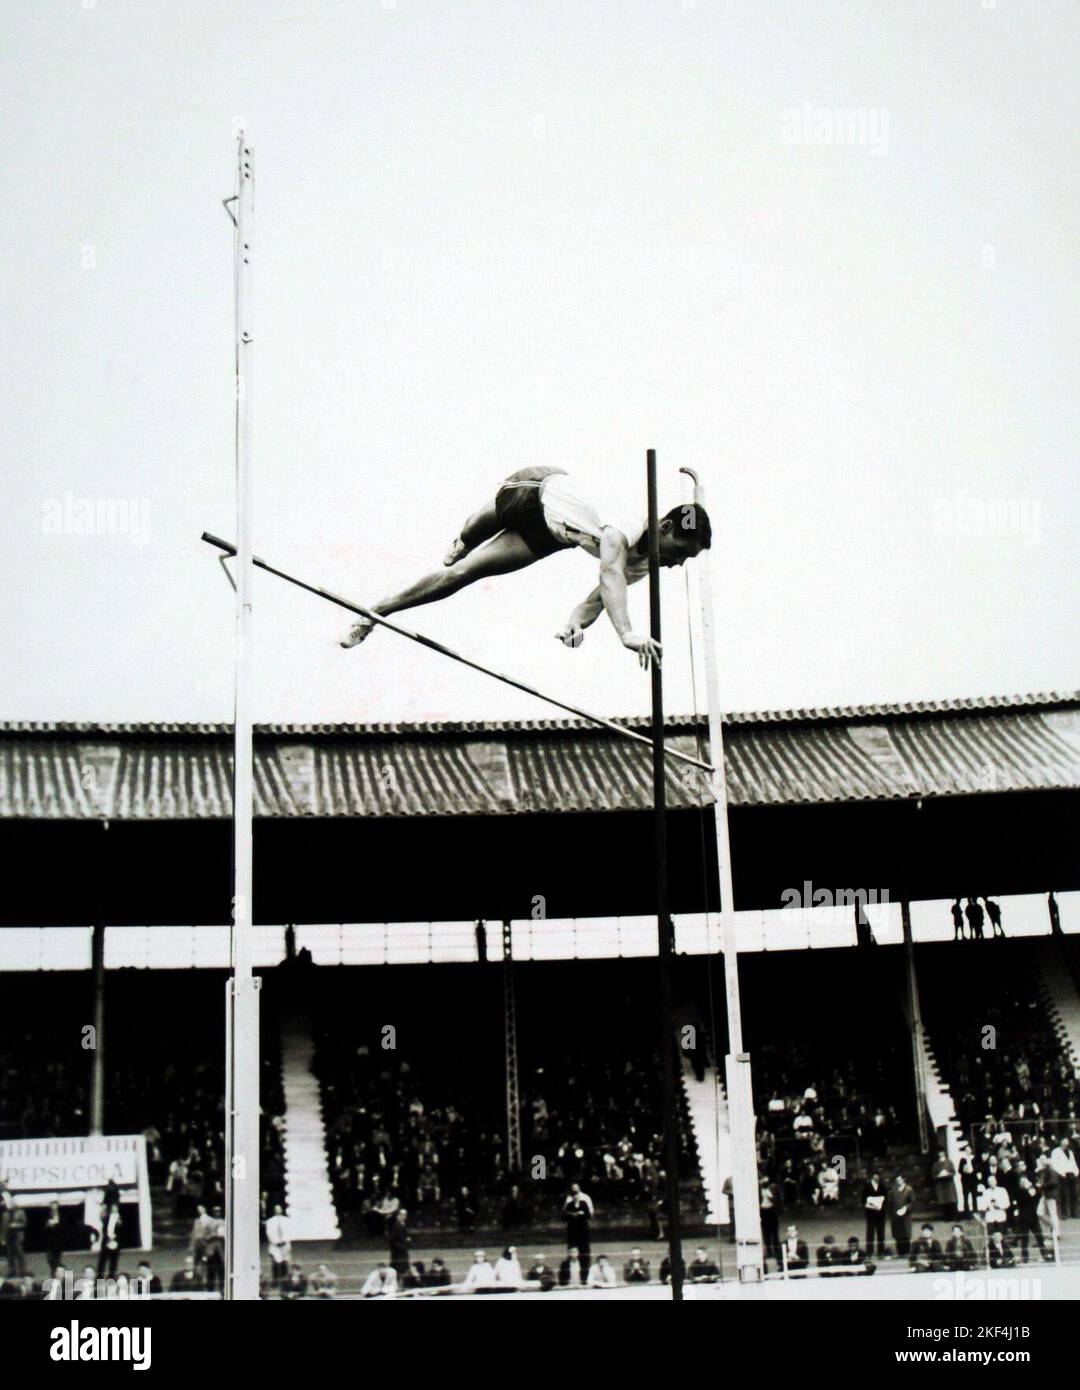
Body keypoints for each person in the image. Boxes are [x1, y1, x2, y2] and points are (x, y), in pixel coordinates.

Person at [340, 466, 712, 669]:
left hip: (550, 536)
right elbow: (609, 573)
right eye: (681, 551)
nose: (678, 563)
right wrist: (627, 633)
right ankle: (462, 540)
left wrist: (574, 623)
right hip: (534, 490)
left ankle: (374, 613)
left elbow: (598, 600)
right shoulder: (629, 522)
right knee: (471, 533)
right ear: (665, 528)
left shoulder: (645, 562)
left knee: (463, 575)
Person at [563, 1183, 594, 1284]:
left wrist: (581, 1214)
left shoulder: (584, 1202)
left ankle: (585, 1279)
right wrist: (572, 1214)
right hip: (572, 1232)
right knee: (573, 1253)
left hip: (583, 1232)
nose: (575, 1196)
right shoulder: (569, 1204)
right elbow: (564, 1216)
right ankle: (570, 1279)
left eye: (577, 1194)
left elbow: (589, 1215)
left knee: (584, 1255)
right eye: (574, 1194)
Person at [265, 1204, 291, 1290]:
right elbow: (269, 1233)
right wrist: (276, 1242)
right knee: (275, 1263)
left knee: (284, 1262)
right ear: (274, 1211)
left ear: (281, 1210)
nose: (278, 1211)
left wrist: (284, 1241)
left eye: (279, 1209)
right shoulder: (270, 1221)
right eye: (276, 1209)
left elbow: (289, 1232)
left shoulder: (286, 1220)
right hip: (275, 1245)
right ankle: (275, 1280)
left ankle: (285, 1281)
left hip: (285, 1244)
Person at [863, 1171, 888, 1258]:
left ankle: (881, 1252)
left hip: (880, 1213)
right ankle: (869, 1252)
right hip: (870, 1213)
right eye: (875, 1176)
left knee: (881, 1233)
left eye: (878, 1176)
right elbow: (863, 1199)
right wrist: (871, 1203)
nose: (876, 1177)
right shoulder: (867, 1186)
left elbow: (886, 1199)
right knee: (870, 1233)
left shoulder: (883, 1186)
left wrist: (880, 1204)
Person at [888, 1175, 914, 1259]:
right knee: (898, 1235)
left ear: (903, 1179)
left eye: (900, 1179)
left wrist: (906, 1208)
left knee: (906, 1234)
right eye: (897, 1180)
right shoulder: (893, 1190)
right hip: (896, 1216)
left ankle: (906, 1252)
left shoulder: (909, 1190)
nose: (898, 1181)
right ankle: (900, 1252)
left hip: (906, 1216)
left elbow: (912, 1202)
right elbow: (890, 1203)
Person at [931, 1150, 957, 1221]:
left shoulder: (949, 1162)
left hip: (949, 1184)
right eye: (939, 1153)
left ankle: (952, 1217)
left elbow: (953, 1172)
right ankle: (946, 1217)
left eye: (942, 1152)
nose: (941, 1154)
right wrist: (938, 1176)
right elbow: (933, 1174)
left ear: (944, 1153)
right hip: (941, 1184)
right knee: (943, 1201)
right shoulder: (936, 1164)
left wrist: (948, 1173)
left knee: (951, 1201)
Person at [44, 1200, 64, 1278]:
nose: (54, 1208)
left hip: (58, 1241)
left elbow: (63, 1227)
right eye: (52, 1206)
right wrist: (48, 1225)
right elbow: (44, 1227)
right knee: (51, 1260)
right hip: (49, 1241)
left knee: (57, 1261)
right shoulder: (47, 1215)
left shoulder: (61, 1216)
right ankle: (54, 1274)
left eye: (55, 1206)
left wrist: (57, 1224)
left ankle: (55, 1276)